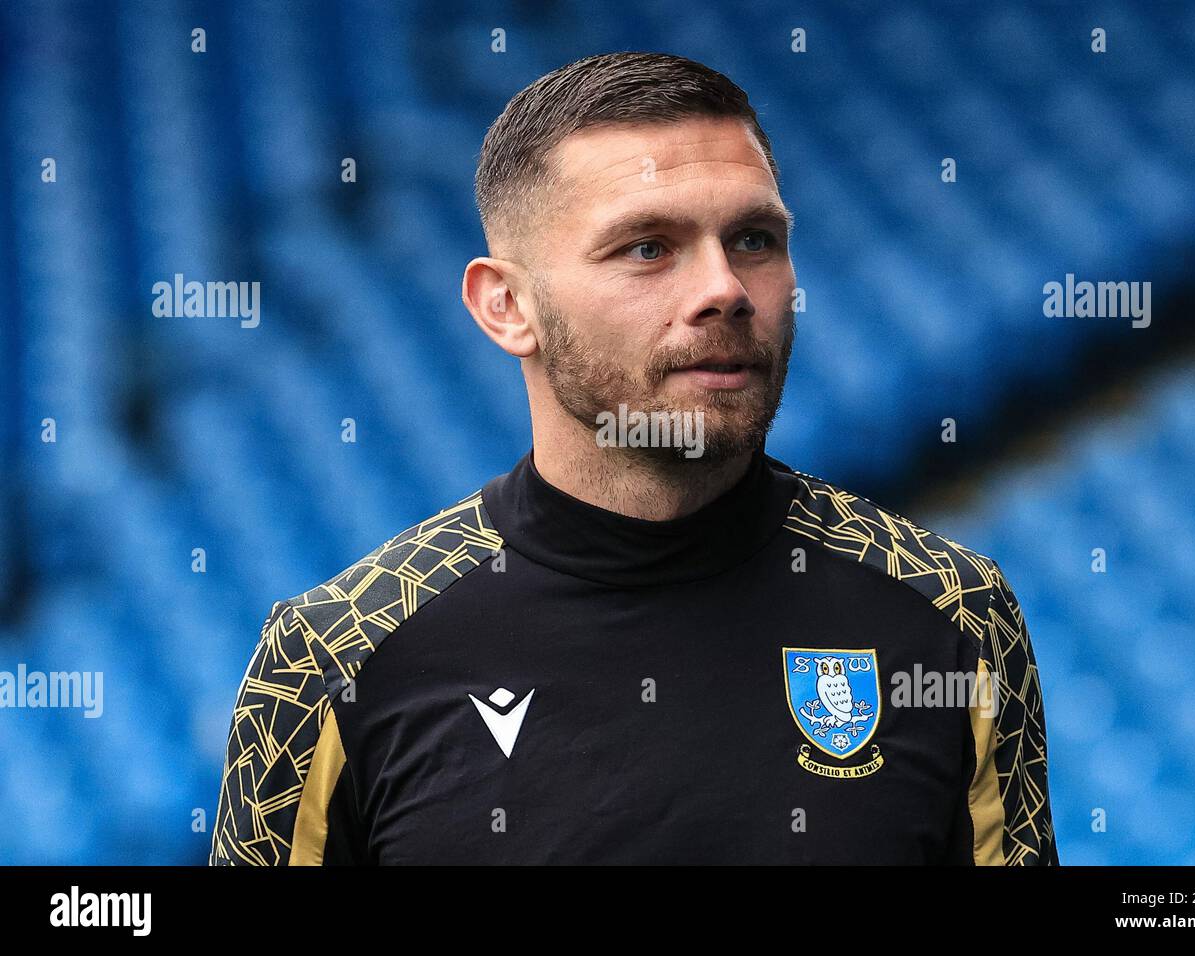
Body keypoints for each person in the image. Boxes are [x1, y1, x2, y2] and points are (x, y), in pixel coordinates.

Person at [210, 51, 1058, 865]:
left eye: (755, 239)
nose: (725, 288)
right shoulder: (334, 657)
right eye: (648, 247)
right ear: (508, 307)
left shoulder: (954, 616)